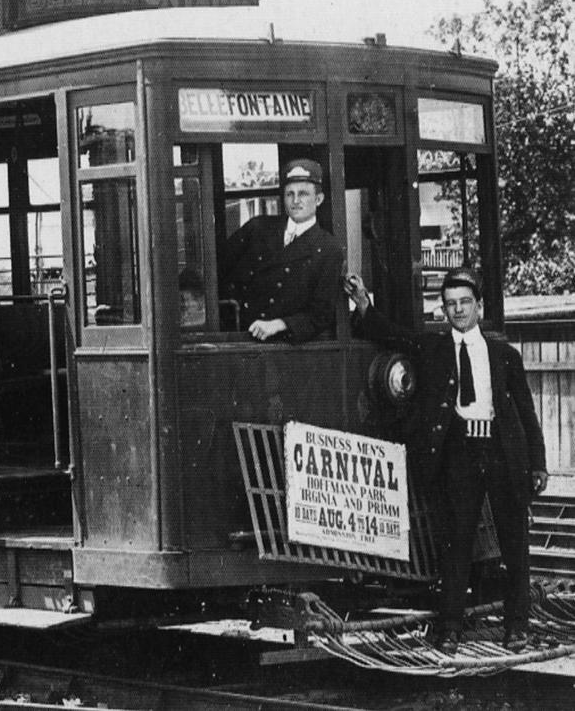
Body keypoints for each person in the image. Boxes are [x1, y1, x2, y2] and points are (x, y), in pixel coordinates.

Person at [345, 268, 548, 653]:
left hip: (504, 455)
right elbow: (391, 334)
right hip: (459, 455)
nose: (458, 310)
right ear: (444, 310)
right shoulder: (433, 349)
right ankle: (450, 628)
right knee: (456, 544)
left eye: (465, 303)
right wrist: (362, 304)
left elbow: (526, 413)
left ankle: (517, 626)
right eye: (451, 304)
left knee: (515, 543)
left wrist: (537, 464)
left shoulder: (505, 356)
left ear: (479, 306)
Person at [219, 158, 344, 342]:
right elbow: (219, 267)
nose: (295, 201)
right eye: (289, 194)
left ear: (318, 199)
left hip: (285, 348)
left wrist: (279, 324)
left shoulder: (328, 249)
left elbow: (320, 315)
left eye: (303, 194)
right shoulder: (257, 228)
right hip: (238, 337)